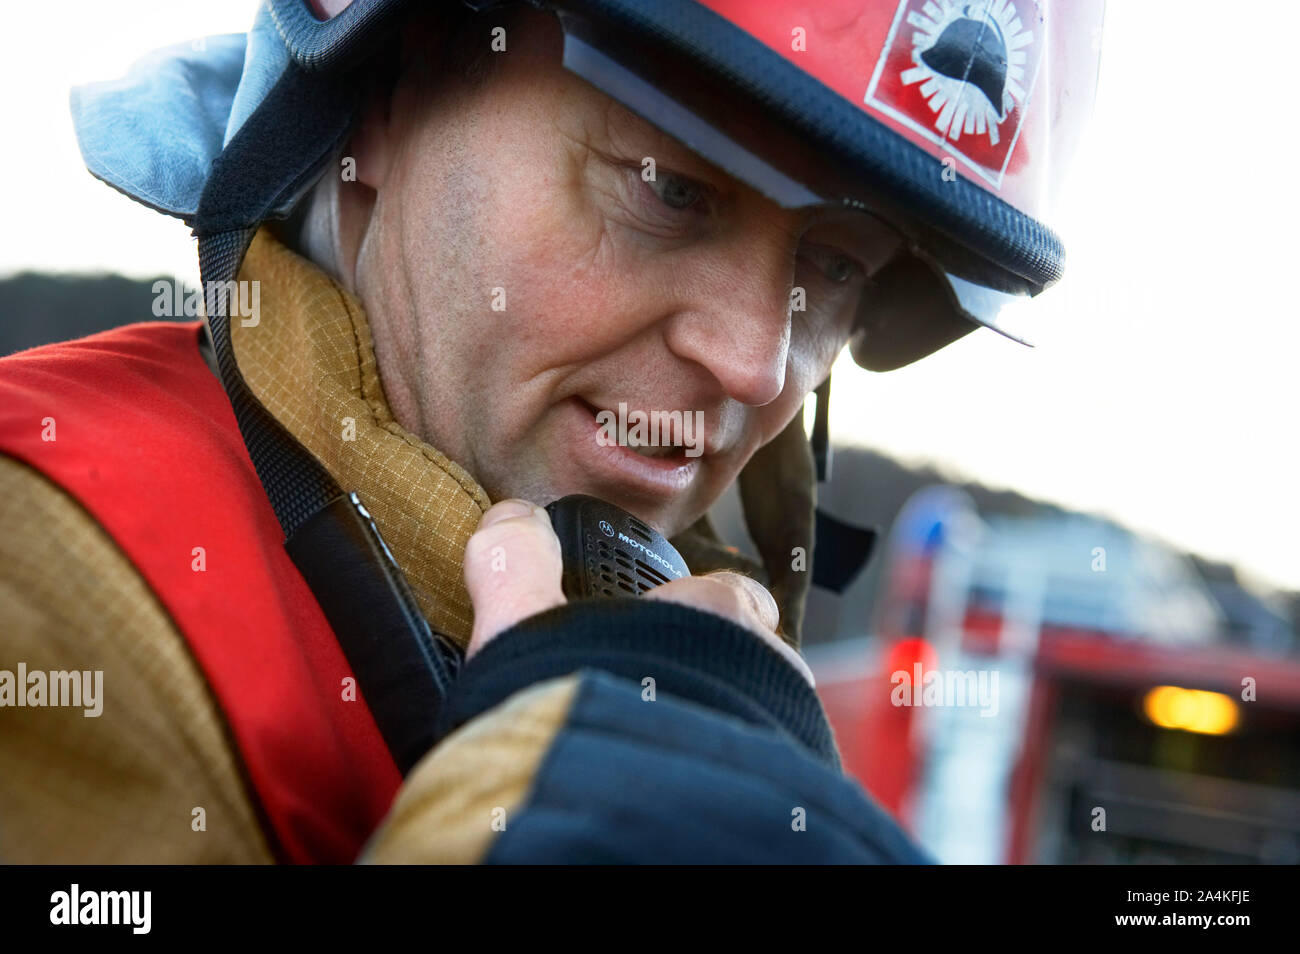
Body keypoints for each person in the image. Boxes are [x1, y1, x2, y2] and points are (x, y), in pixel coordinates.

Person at [0, 0, 1100, 863]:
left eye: (835, 265)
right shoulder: (41, 577)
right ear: (385, 97)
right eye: (670, 188)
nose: (756, 361)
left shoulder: (695, 656)